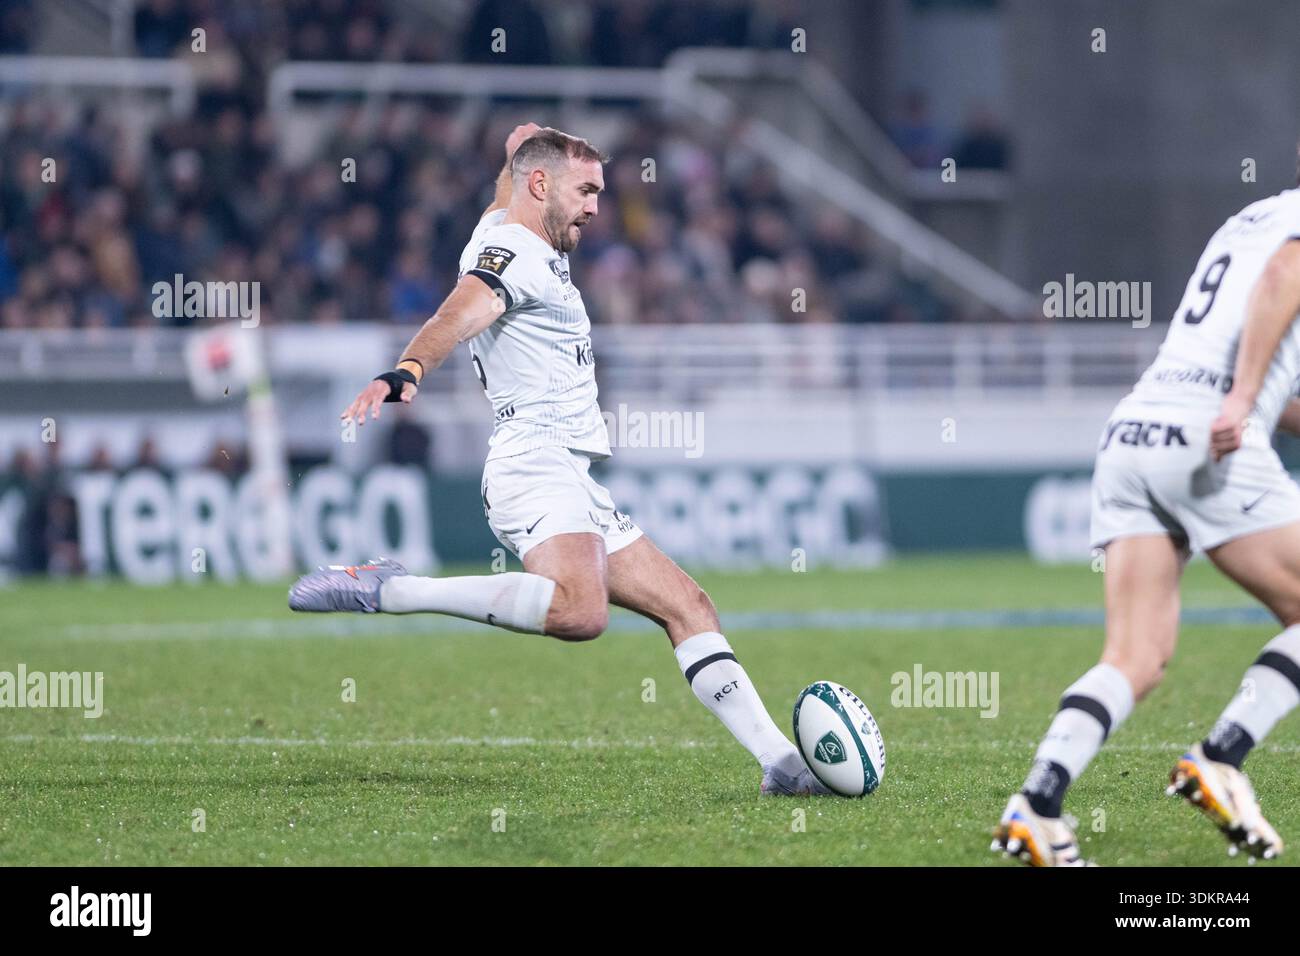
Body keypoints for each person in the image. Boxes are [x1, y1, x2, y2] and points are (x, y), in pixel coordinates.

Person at [290, 123, 826, 796]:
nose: (598, 207)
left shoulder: (508, 225)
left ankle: (779, 765)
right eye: (588, 191)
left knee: (688, 605)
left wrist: (515, 153)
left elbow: (503, 197)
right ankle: (393, 589)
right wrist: (409, 369)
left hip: (570, 473)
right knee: (581, 613)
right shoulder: (514, 254)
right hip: (533, 462)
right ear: (541, 186)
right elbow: (459, 310)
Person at [994, 172, 1300, 865]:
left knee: (1135, 657)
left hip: (1134, 431)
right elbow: (1286, 277)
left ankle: (1036, 806)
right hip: (1206, 437)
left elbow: (1255, 358)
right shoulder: (1290, 239)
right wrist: (1243, 398)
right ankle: (1221, 757)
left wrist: (1248, 396)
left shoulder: (1251, 217)